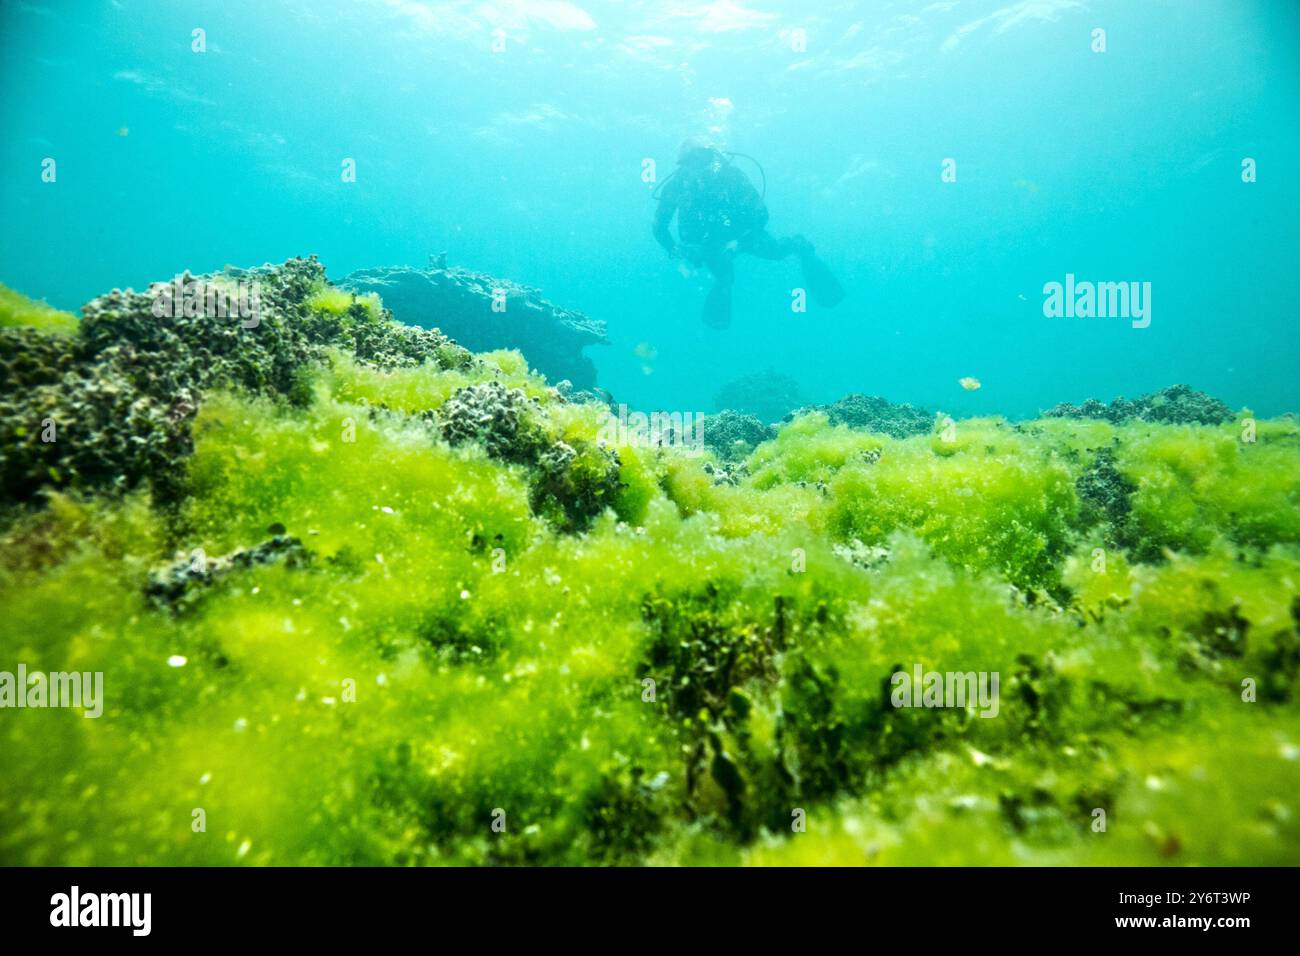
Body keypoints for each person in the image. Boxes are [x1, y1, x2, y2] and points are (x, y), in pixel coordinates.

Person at [652, 137, 843, 328]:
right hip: (707, 243)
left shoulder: (730, 176)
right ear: (682, 165)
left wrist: (740, 242)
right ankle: (717, 324)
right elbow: (659, 226)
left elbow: (760, 215)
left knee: (775, 251)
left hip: (744, 233)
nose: (696, 166)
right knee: (724, 276)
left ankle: (801, 247)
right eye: (689, 162)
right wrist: (674, 248)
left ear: (710, 157)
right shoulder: (675, 187)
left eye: (700, 159)